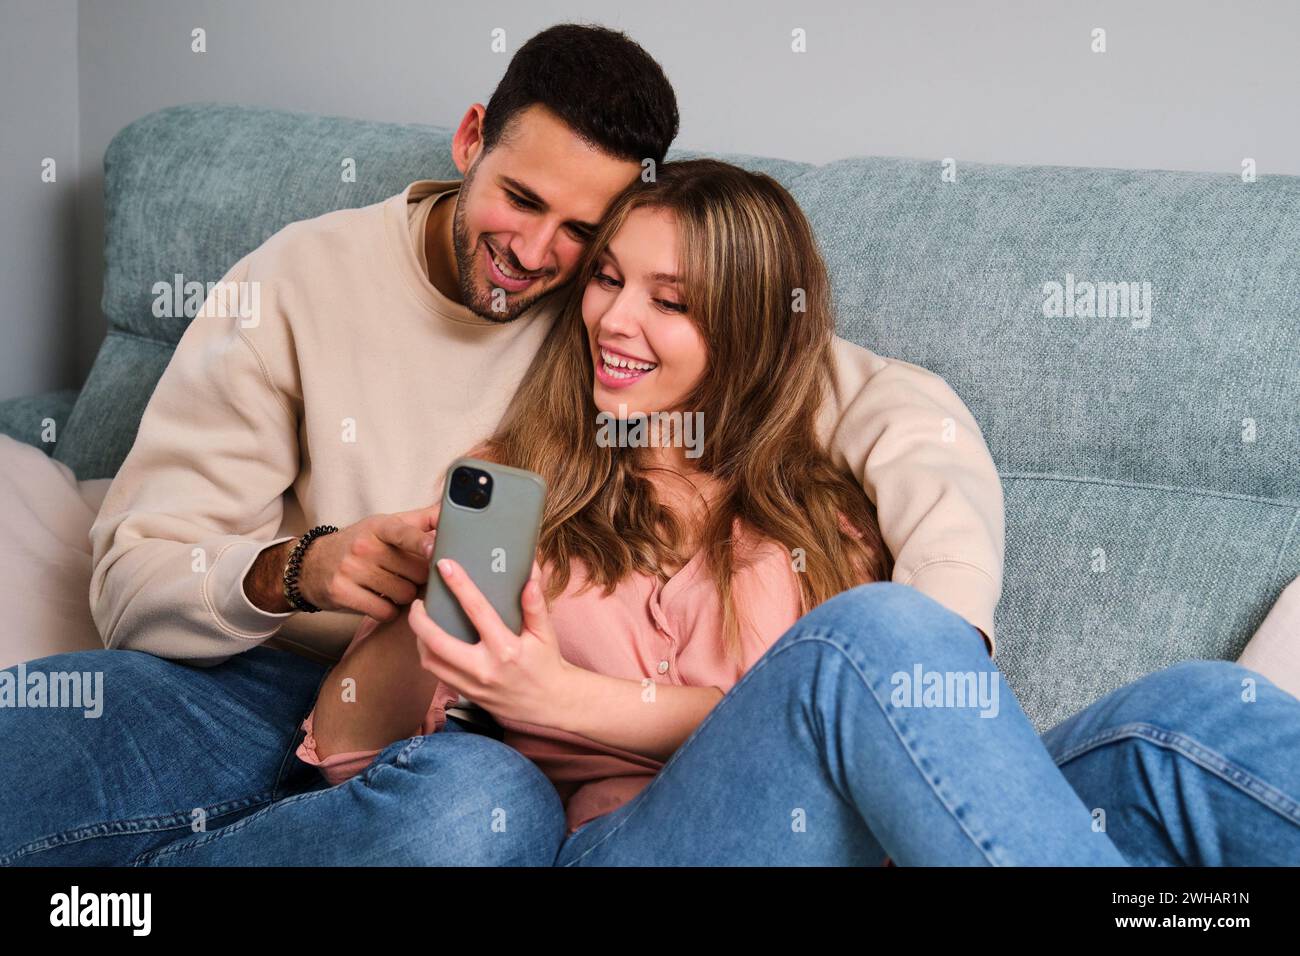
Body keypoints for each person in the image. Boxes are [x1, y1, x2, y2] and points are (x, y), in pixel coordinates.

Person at [0, 25, 1006, 866]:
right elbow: (131, 581)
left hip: (464, 740)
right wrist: (305, 567)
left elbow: (884, 406)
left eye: (581, 232)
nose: (533, 255)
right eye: (521, 199)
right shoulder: (297, 281)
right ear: (471, 136)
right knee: (42, 736)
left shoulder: (611, 312)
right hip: (252, 670)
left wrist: (930, 649)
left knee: (476, 804)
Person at [129, 160, 1300, 866]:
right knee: (872, 638)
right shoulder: (523, 483)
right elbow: (364, 762)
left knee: (1198, 714)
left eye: (671, 300)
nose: (613, 319)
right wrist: (424, 628)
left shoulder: (824, 504)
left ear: (748, 328)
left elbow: (863, 717)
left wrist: (570, 698)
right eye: (607, 279)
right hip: (637, 845)